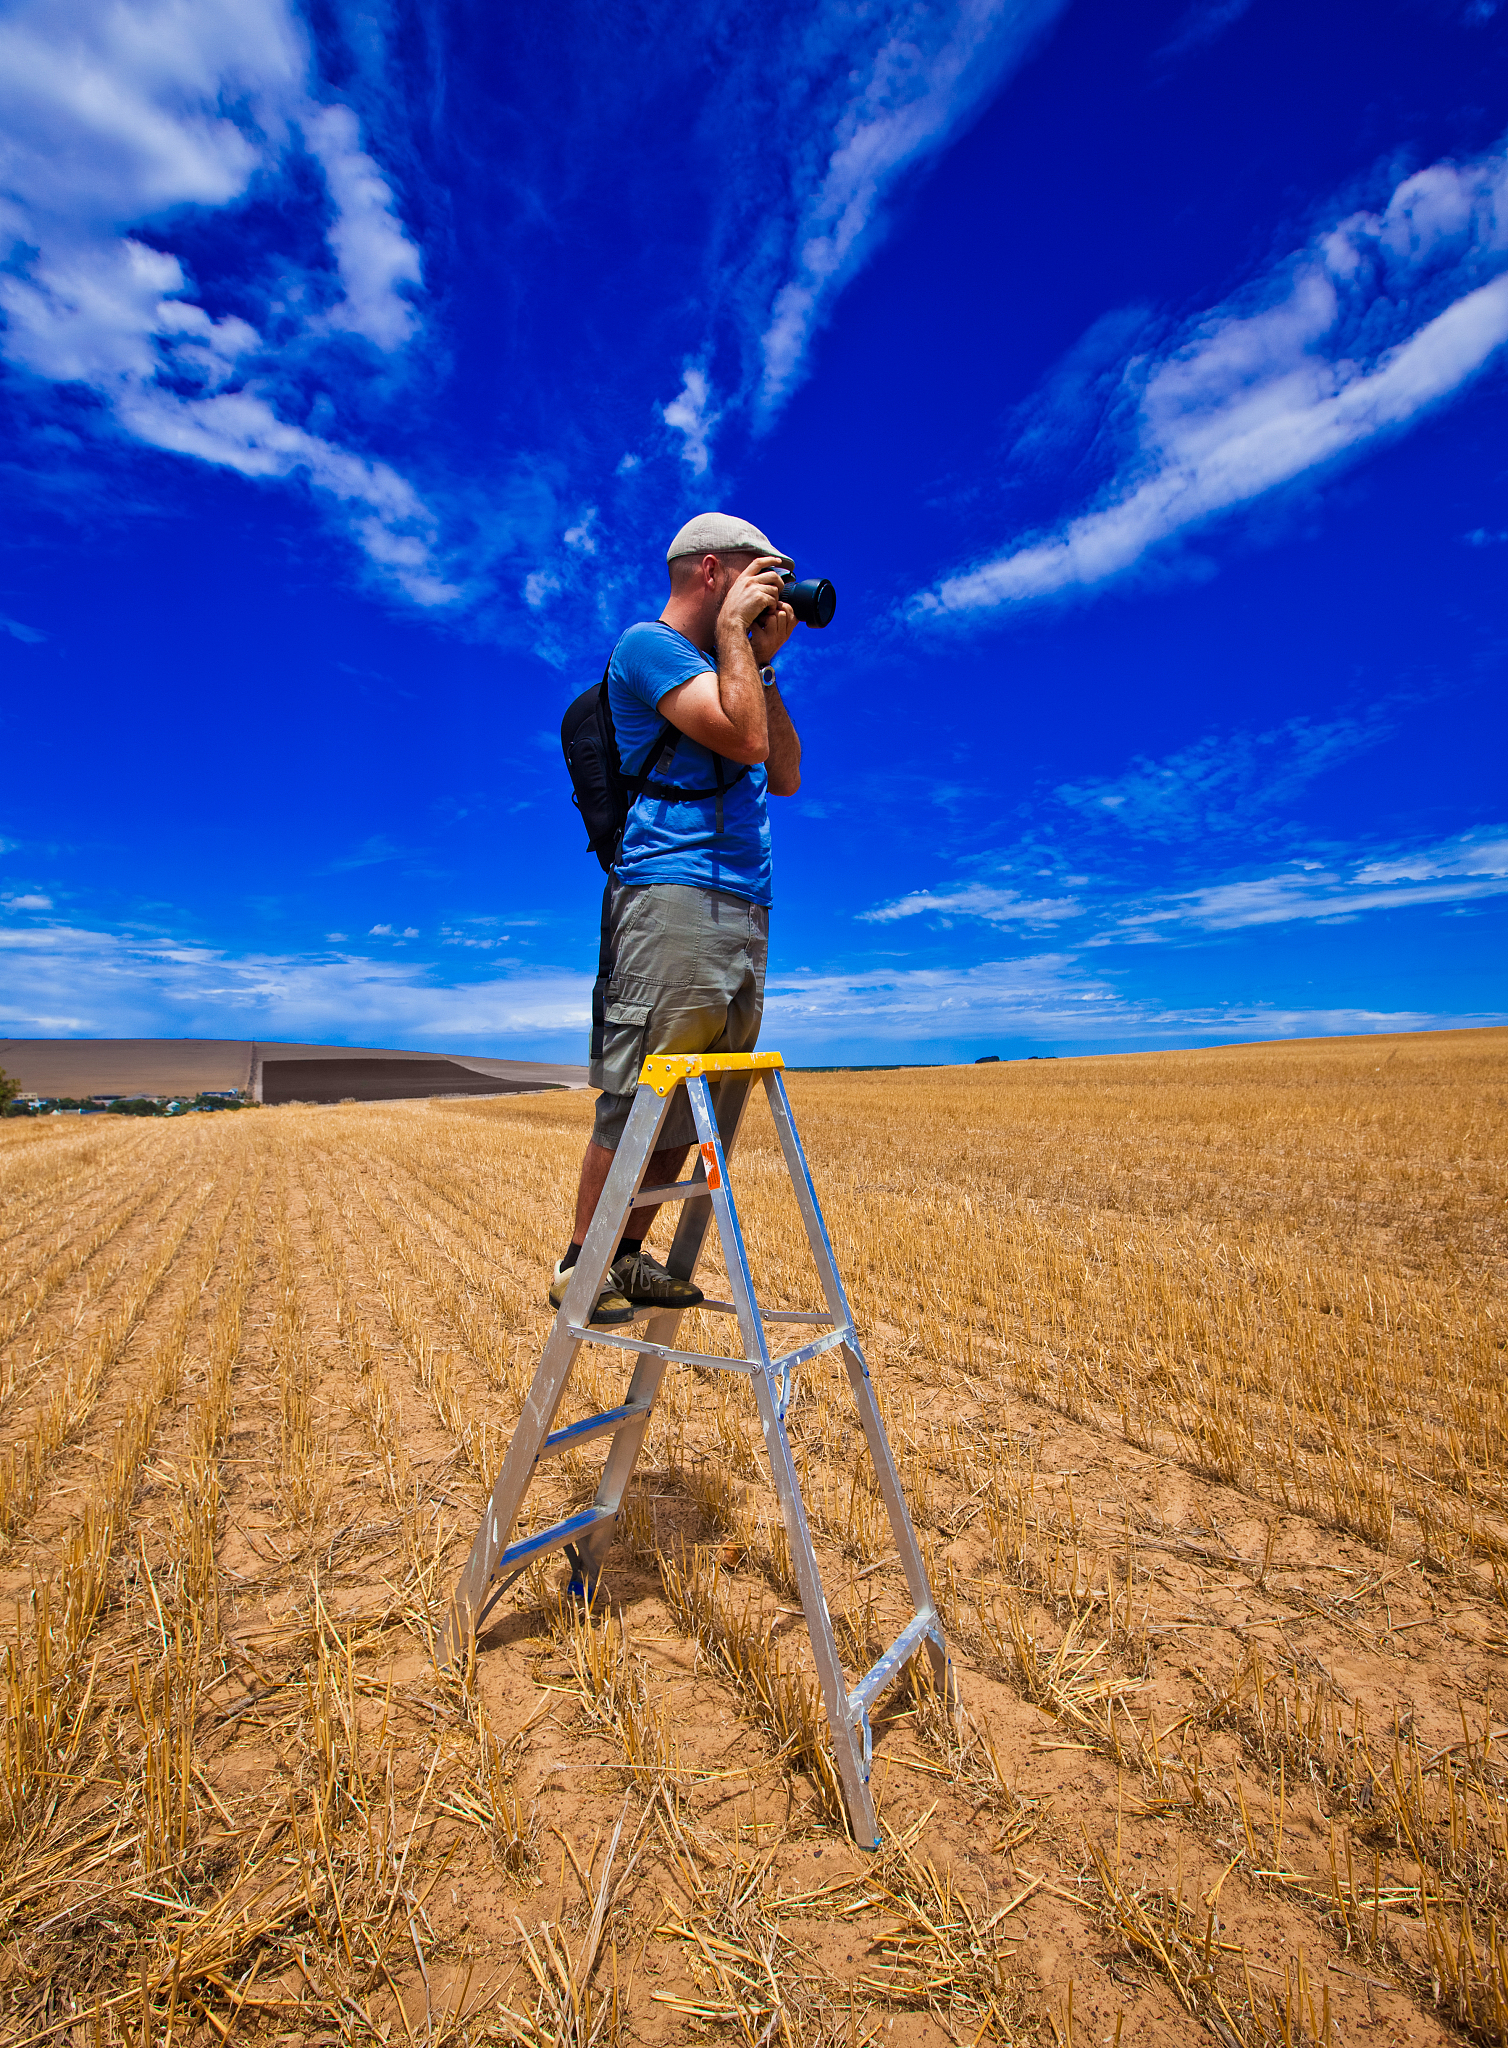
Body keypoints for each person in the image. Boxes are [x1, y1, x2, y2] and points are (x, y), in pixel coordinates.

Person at [550, 512, 803, 1322]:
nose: (771, 587)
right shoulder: (647, 648)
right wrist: (737, 638)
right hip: (671, 894)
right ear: (709, 573)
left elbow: (787, 771)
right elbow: (744, 743)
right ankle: (579, 1265)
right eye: (757, 572)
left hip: (744, 900)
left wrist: (760, 661)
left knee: (692, 1106)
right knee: (636, 1094)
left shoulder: (735, 663)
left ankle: (626, 1256)